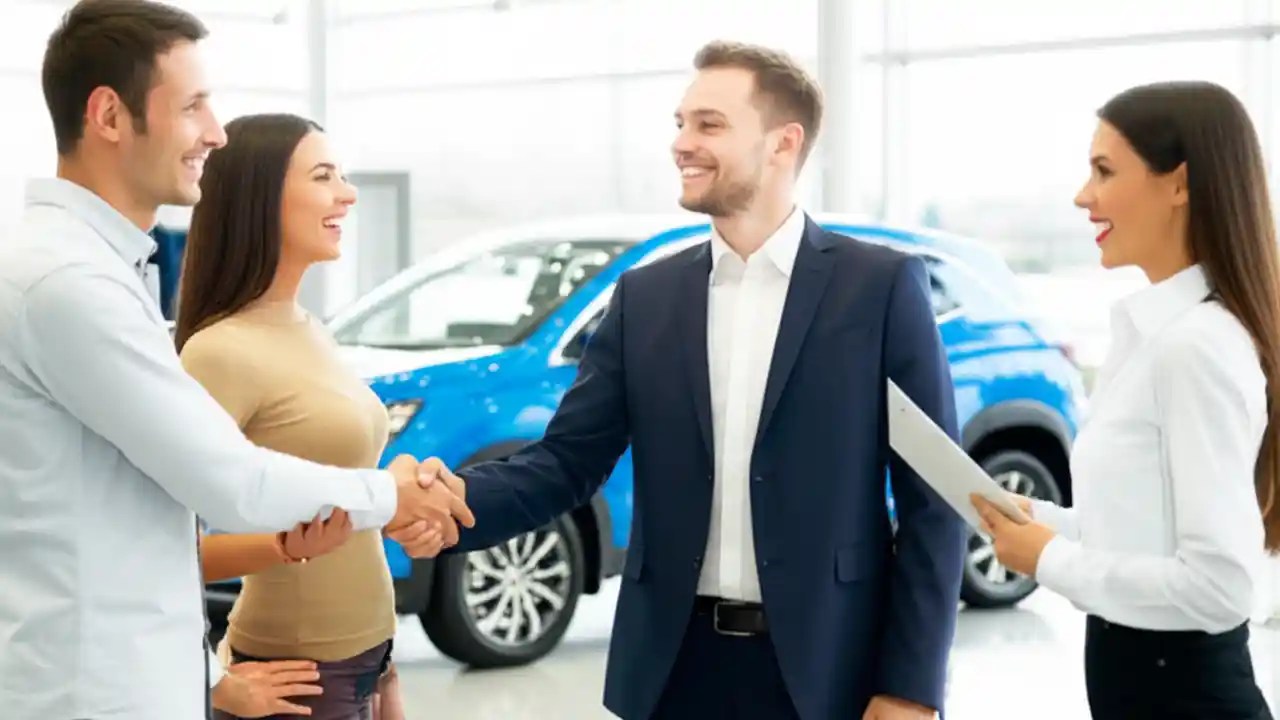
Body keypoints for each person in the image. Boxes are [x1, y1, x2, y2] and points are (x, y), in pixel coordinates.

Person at [435, 40, 966, 719]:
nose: (682, 143)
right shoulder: (645, 297)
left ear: (783, 143)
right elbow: (566, 462)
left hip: (830, 671)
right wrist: (452, 503)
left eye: (708, 124)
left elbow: (935, 502)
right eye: (680, 123)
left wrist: (911, 688)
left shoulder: (880, 288)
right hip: (672, 673)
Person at [0, 2, 472, 719]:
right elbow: (230, 485)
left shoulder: (99, 273)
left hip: (144, 679)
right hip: (95, 693)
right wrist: (390, 495)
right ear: (108, 115)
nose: (214, 133)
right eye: (192, 106)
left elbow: (140, 525)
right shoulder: (67, 284)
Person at [973, 80, 1280, 720]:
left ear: (1179, 184)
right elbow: (1142, 534)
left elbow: (1220, 587)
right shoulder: (1151, 336)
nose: (1083, 195)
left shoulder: (1195, 347)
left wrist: (1049, 558)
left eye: (1104, 170)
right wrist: (1043, 522)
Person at [178, 113, 439, 720]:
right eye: (324, 176)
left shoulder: (307, 326)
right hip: (294, 674)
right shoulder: (218, 351)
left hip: (363, 660)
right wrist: (219, 685)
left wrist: (381, 664)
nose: (347, 194)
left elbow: (336, 474)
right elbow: (158, 545)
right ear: (259, 198)